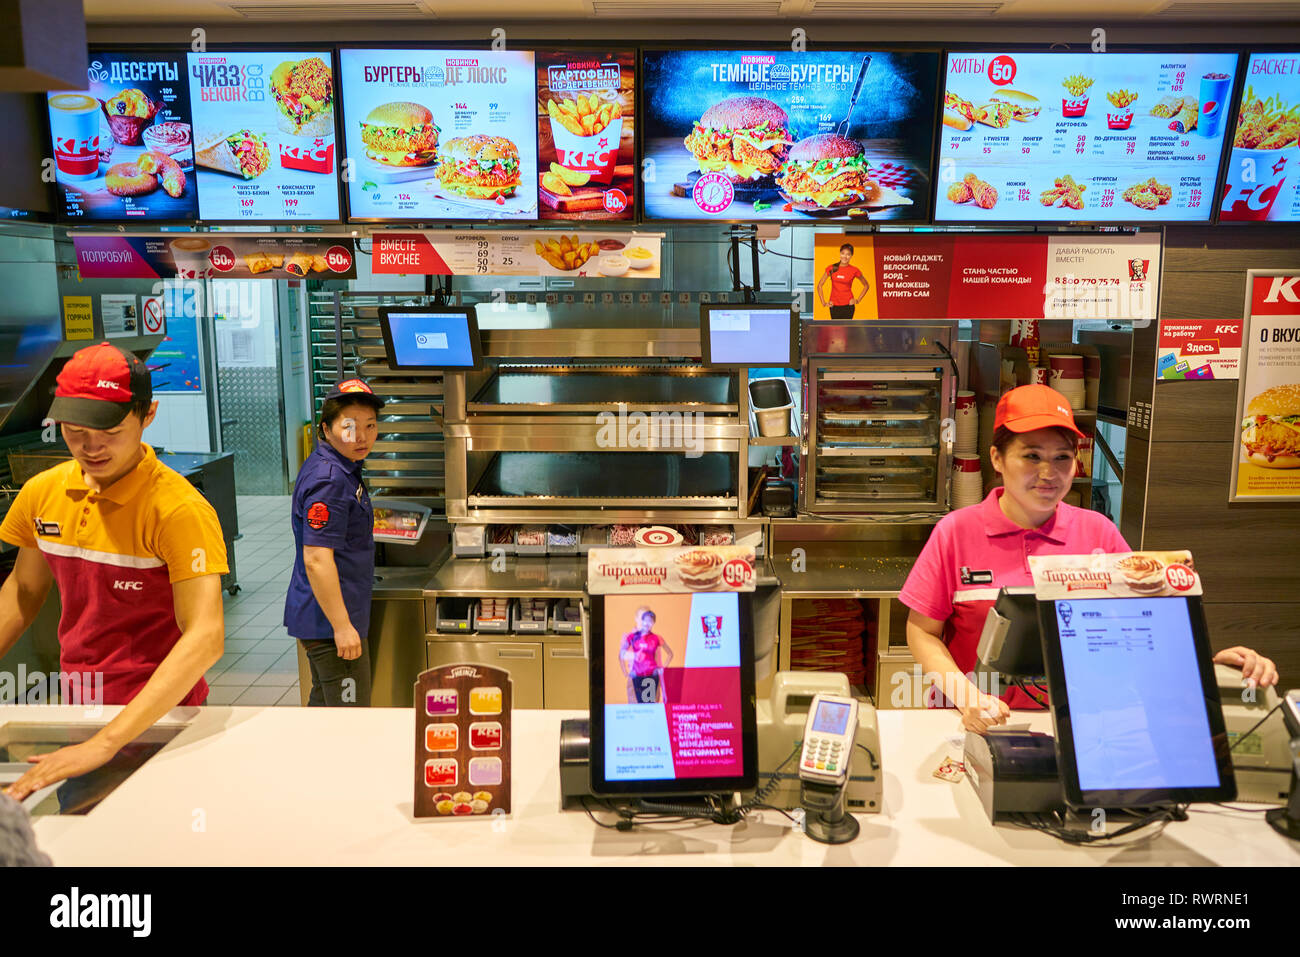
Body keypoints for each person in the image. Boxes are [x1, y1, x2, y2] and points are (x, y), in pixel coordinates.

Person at [900, 384, 1277, 734]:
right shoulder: (956, 532)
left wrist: (1207, 668)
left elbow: (1141, 632)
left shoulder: (1099, 534)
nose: (1049, 474)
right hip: (974, 721)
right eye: (1031, 456)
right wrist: (968, 697)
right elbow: (922, 631)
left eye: (1062, 457)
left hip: (1084, 725)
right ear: (997, 458)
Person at [0, 342, 227, 801]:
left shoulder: (178, 509)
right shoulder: (42, 494)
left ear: (148, 414)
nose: (90, 446)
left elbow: (205, 636)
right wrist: (92, 740)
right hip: (82, 713)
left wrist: (105, 744)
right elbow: (24, 591)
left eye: (109, 429)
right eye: (74, 429)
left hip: (163, 719)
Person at [285, 379, 383, 706]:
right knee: (350, 722)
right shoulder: (329, 480)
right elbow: (316, 558)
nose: (362, 436)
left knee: (325, 712)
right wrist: (342, 628)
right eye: (350, 426)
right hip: (329, 626)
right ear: (326, 429)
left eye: (370, 426)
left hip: (329, 618)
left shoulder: (342, 467)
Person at [619, 607, 673, 704]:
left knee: (650, 713)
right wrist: (628, 668)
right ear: (636, 619)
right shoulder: (630, 637)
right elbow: (622, 655)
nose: (646, 622)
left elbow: (659, 663)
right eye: (643, 618)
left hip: (651, 678)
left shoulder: (654, 639)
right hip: (635, 679)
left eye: (650, 620)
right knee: (636, 713)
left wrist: (664, 690)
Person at [817, 243, 869, 320]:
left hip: (848, 306)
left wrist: (857, 300)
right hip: (834, 305)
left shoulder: (854, 270)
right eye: (843, 253)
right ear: (840, 254)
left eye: (848, 254)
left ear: (851, 256)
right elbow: (819, 285)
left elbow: (866, 285)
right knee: (836, 330)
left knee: (847, 330)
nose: (845, 256)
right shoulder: (832, 268)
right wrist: (823, 303)